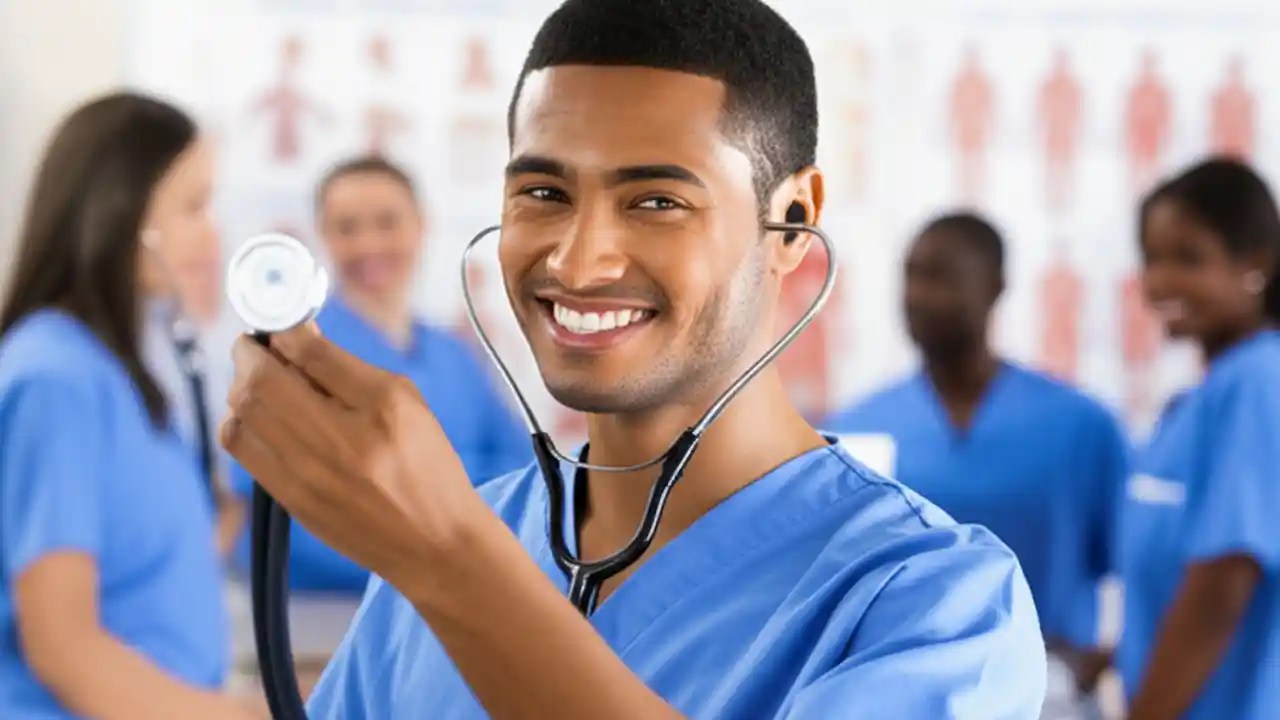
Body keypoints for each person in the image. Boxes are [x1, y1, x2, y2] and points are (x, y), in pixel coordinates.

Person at [221, 2, 1047, 717]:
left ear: (791, 222)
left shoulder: (934, 605)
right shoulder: (428, 564)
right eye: (543, 194)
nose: (579, 264)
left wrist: (448, 561)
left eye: (656, 202)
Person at [0, 93, 251, 719]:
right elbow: (63, 647)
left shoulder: (131, 375)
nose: (211, 232)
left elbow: (146, 566)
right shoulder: (55, 378)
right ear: (120, 211)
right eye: (193, 207)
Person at [824, 213, 1129, 718]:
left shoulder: (1079, 425)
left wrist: (1101, 659)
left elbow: (1146, 569)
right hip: (900, 698)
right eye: (912, 274)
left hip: (1048, 697)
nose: (918, 295)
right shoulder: (857, 430)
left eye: (940, 275)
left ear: (994, 287)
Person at [228, 156, 530, 596]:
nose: (369, 244)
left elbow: (523, 475)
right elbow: (275, 503)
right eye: (347, 228)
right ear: (324, 237)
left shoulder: (455, 356)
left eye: (387, 223)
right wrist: (450, 517)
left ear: (420, 226)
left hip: (457, 606)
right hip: (325, 618)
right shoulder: (290, 355)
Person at [1119, 158, 1280, 720]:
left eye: (1189, 258)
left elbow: (1221, 585)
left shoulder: (1260, 381)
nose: (1161, 281)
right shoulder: (1192, 404)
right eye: (1152, 259)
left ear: (1255, 263)